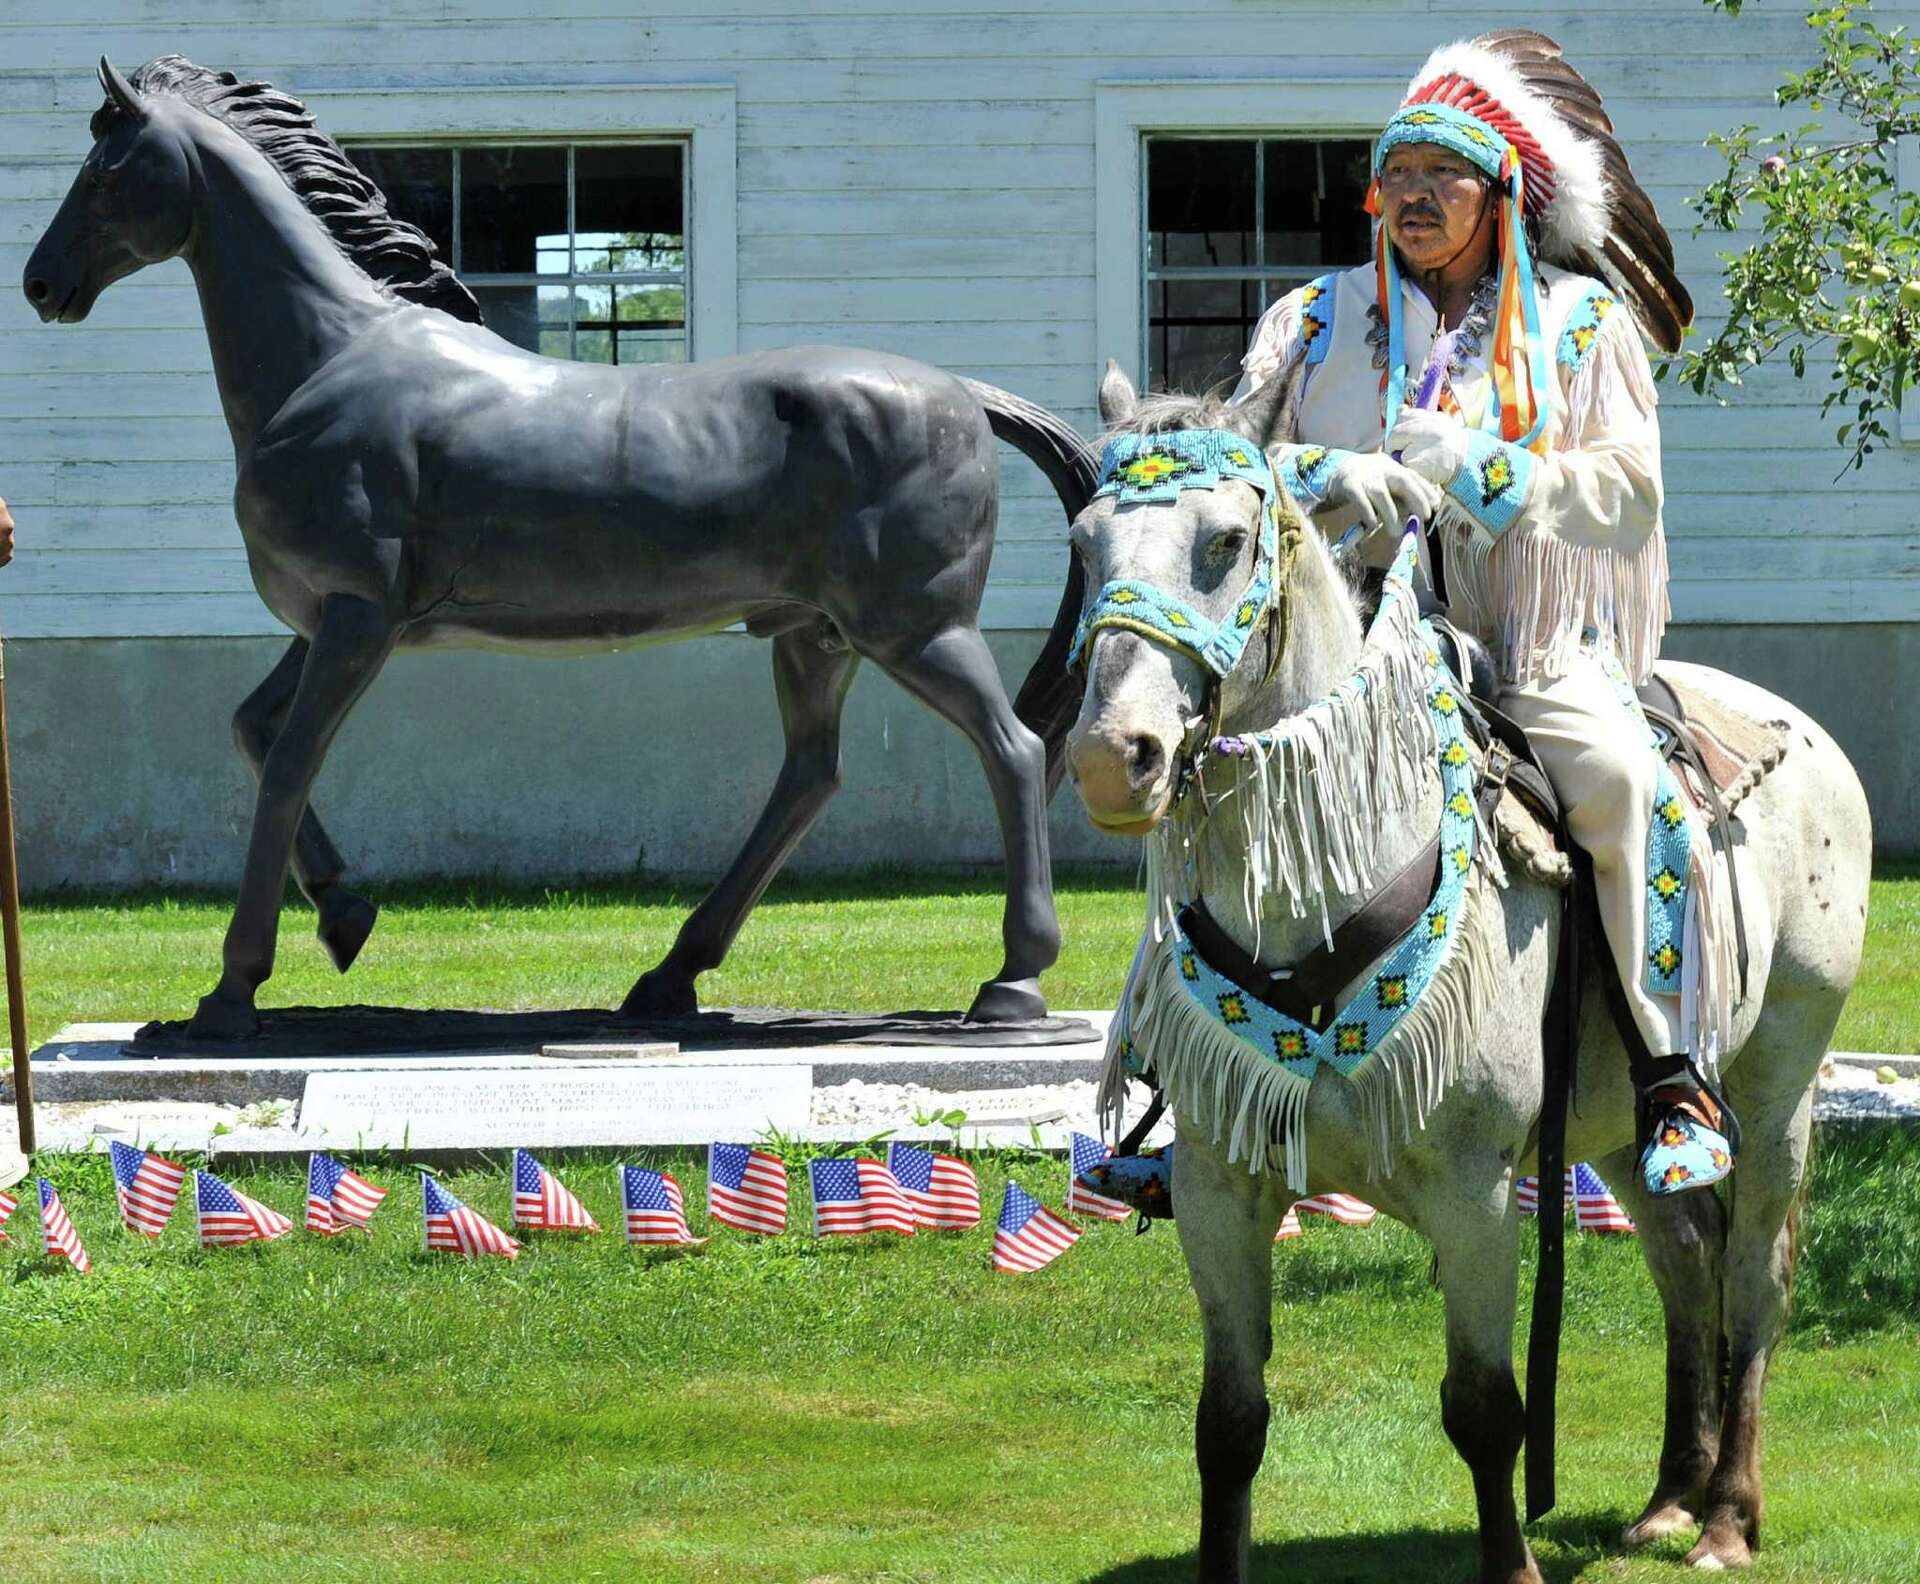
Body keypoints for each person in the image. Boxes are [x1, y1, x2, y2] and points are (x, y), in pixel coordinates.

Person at [1081, 33, 1734, 1214]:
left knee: (1625, 787)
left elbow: (1630, 493)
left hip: (1522, 647)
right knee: (1205, 797)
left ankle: (1670, 1080)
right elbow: (1241, 459)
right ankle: (1164, 1090)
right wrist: (1328, 470)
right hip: (1341, 656)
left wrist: (1480, 469)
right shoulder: (1313, 319)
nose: (1417, 198)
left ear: (1502, 201)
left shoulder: (1582, 323)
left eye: (1447, 177)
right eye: (1399, 177)